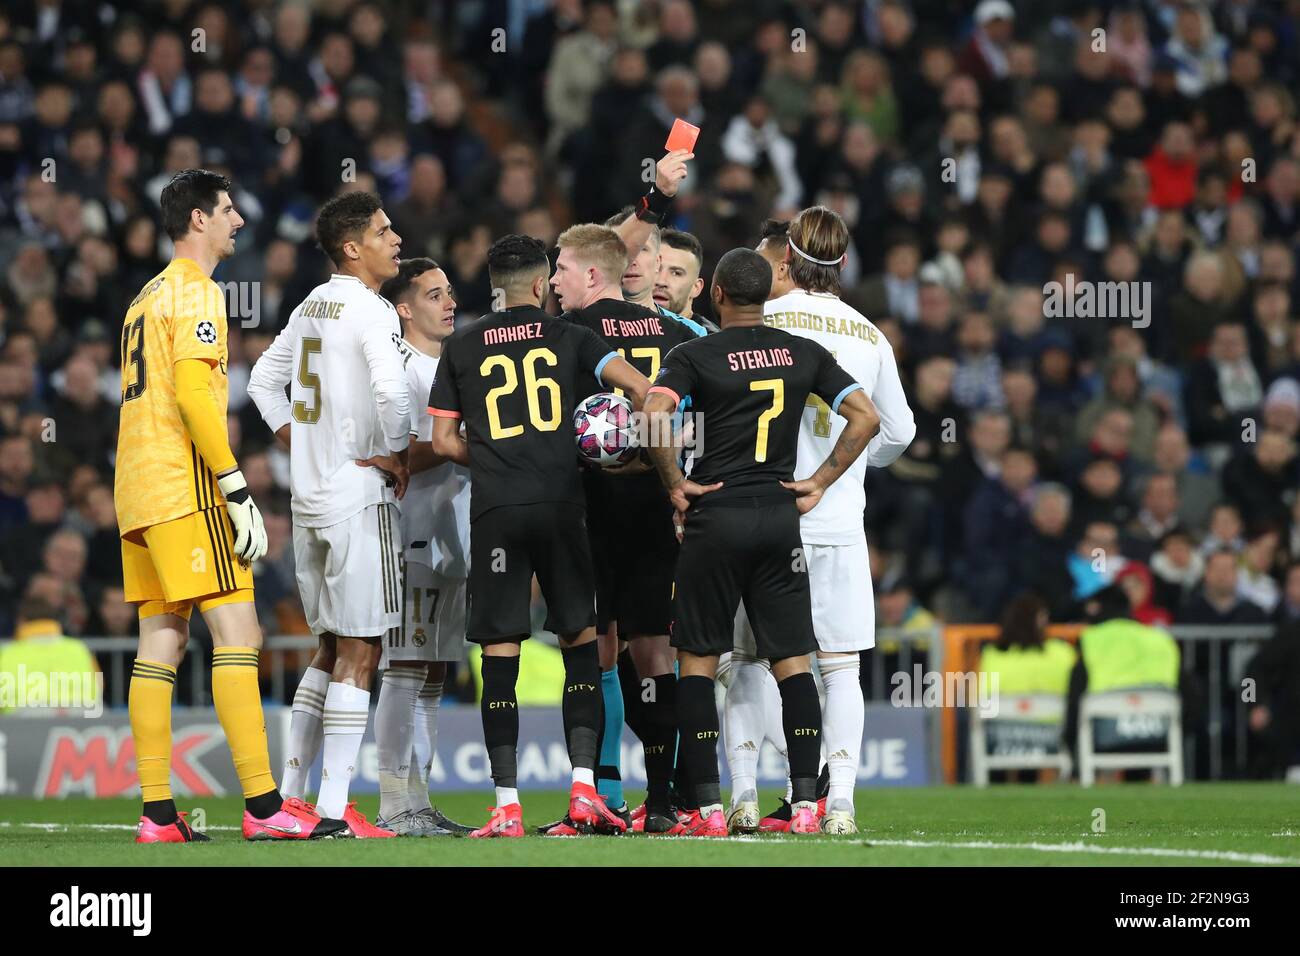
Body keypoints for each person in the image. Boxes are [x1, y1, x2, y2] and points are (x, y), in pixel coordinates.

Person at [116, 169, 337, 843]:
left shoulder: (143, 297)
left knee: (162, 640)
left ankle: (158, 814)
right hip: (186, 487)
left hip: (138, 489)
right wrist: (234, 484)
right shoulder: (199, 292)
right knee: (240, 635)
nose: (239, 219)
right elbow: (189, 394)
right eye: (228, 209)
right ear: (199, 221)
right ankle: (266, 808)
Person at [643, 247, 881, 835]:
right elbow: (868, 417)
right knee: (795, 661)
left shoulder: (692, 353)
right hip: (780, 517)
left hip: (715, 517)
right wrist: (820, 482)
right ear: (765, 297)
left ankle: (708, 809)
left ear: (716, 294)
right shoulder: (803, 352)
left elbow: (652, 414)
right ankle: (806, 806)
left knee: (699, 661)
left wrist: (676, 484)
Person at [428, 234, 651, 838]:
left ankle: (506, 804)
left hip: (498, 510)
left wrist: (502, 456)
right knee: (582, 641)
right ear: (537, 284)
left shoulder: (461, 345)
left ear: (494, 287)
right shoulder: (574, 337)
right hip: (561, 506)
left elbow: (444, 442)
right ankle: (584, 793)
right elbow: (635, 384)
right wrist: (637, 438)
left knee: (501, 654)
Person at [728, 205, 915, 835]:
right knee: (840, 669)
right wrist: (851, 466)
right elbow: (900, 431)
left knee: (752, 660)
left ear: (786, 258)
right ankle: (839, 807)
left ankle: (748, 799)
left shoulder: (758, 318)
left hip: (760, 516)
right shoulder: (869, 335)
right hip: (835, 520)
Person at [248, 190, 411, 839]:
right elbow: (392, 391)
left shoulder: (310, 305)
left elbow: (263, 381)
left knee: (326, 647)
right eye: (383, 229)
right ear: (353, 247)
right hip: (356, 496)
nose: (394, 237)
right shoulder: (371, 312)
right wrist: (396, 453)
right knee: (362, 648)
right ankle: (336, 812)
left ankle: (289, 800)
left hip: (309, 500)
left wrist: (299, 440)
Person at [540, 222, 699, 835]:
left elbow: (558, 425)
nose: (554, 284)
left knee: (594, 649)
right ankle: (666, 800)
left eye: (561, 271)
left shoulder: (569, 336)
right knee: (655, 651)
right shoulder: (675, 331)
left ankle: (603, 792)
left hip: (588, 507)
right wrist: (669, 470)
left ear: (592, 273)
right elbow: (694, 420)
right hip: (656, 506)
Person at [371, 258, 472, 837]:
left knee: (433, 670)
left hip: (451, 533)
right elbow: (403, 454)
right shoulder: (401, 367)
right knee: (404, 666)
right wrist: (460, 439)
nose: (448, 303)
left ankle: (420, 798)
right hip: (409, 531)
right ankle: (392, 802)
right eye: (434, 295)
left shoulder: (454, 365)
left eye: (450, 293)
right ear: (405, 308)